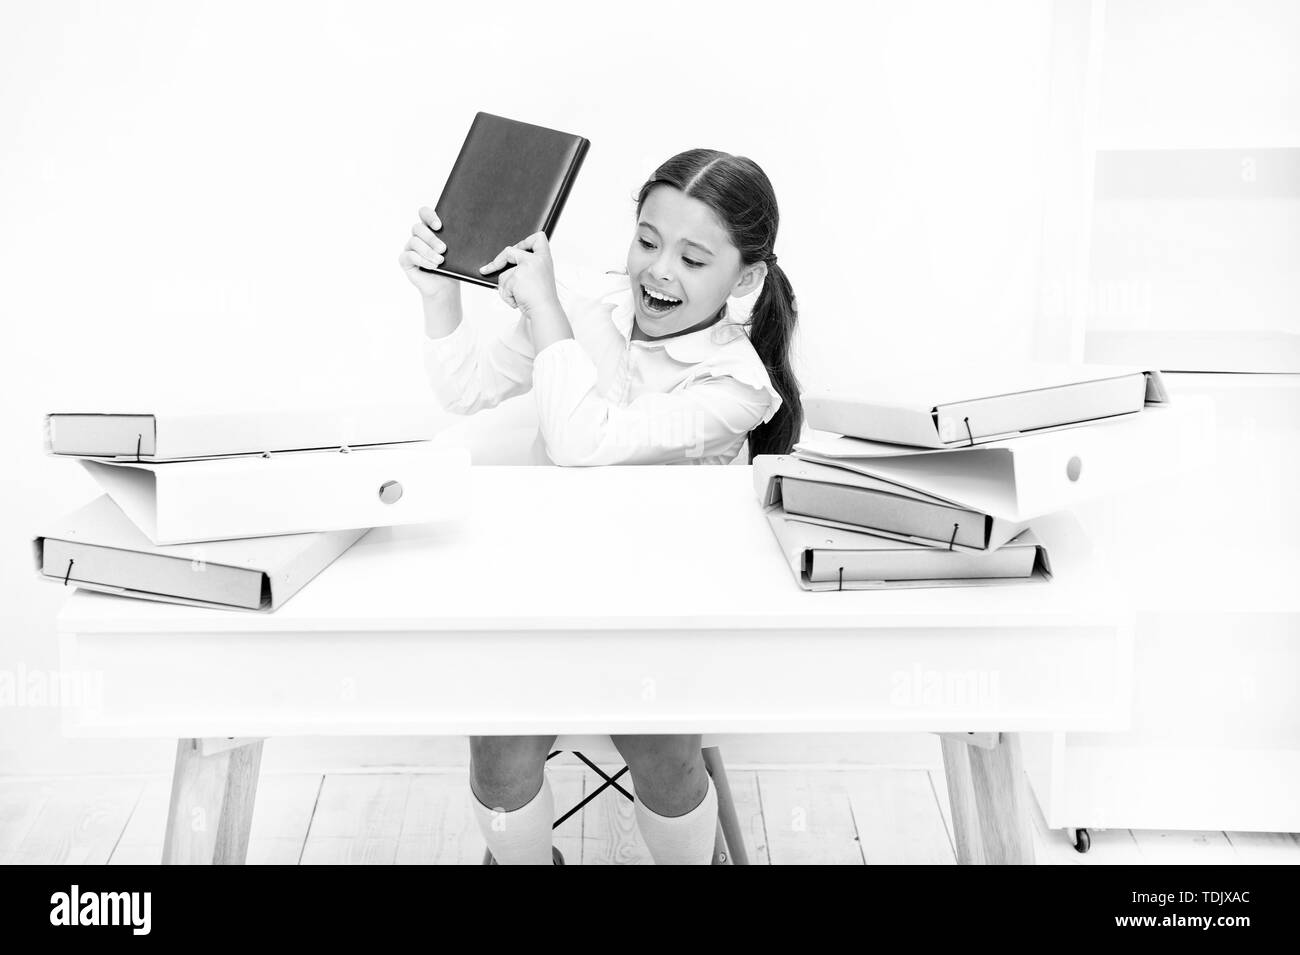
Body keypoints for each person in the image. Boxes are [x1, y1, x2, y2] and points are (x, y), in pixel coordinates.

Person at [398, 148, 803, 863]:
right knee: (496, 758)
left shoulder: (738, 384)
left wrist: (548, 308)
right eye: (647, 240)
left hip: (664, 604)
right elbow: (466, 389)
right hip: (543, 592)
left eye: (693, 257)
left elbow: (585, 442)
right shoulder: (584, 303)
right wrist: (439, 293)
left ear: (746, 278)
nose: (658, 270)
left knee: (671, 756)